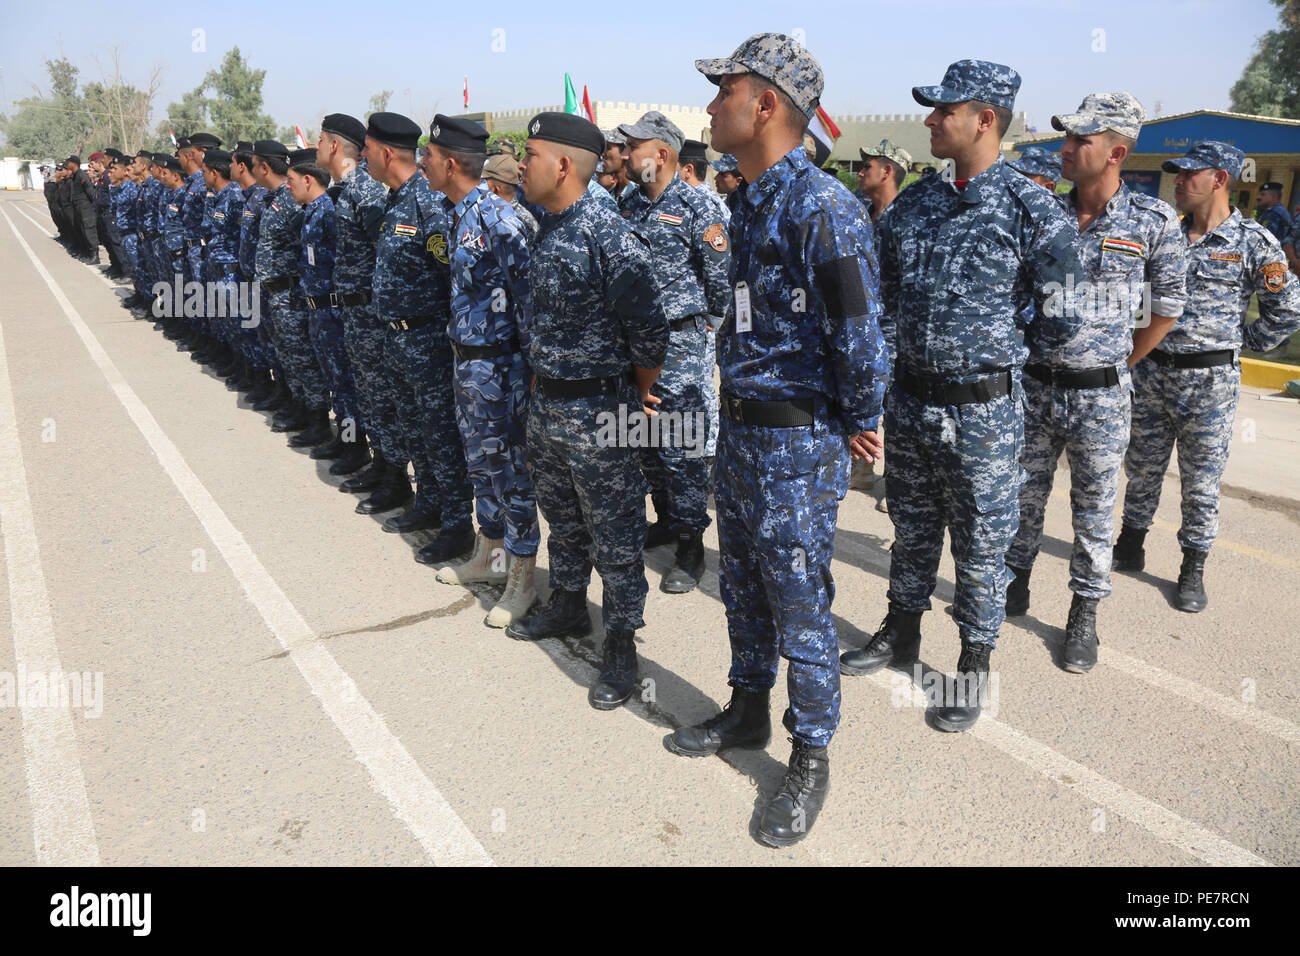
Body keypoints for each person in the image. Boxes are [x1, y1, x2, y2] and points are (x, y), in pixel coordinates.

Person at [669, 34, 888, 848]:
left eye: (722, 91)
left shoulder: (821, 208)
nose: (709, 106)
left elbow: (858, 331)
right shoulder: (750, 200)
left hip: (798, 441)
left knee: (800, 602)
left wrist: (861, 421)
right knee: (746, 590)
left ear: (765, 104)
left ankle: (810, 755)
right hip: (743, 432)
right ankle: (747, 708)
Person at [839, 60, 1086, 734]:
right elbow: (881, 297)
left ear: (986, 120)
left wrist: (994, 356)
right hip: (911, 402)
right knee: (911, 527)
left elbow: (1064, 315)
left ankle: (974, 663)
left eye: (944, 110)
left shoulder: (1034, 209)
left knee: (981, 544)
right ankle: (901, 632)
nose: (930, 120)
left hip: (984, 411)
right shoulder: (915, 202)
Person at [1004, 93, 1187, 673]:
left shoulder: (1152, 222)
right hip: (1035, 386)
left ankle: (1083, 614)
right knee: (1022, 497)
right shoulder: (1044, 215)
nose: (1065, 149)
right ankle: (1015, 584)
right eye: (1067, 138)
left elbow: (1169, 306)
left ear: (1116, 152)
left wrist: (1122, 362)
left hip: (1102, 394)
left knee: (1094, 509)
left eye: (1080, 141)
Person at [506, 111, 669, 713]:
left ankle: (623, 641)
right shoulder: (548, 226)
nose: (522, 165)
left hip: (601, 411)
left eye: (530, 154)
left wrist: (631, 389)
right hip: (548, 404)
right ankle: (570, 604)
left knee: (617, 533)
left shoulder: (608, 231)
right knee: (564, 518)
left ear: (563, 165)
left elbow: (649, 333)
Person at [1114, 141, 1300, 611]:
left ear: (1219, 179)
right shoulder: (1166, 236)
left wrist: (1239, 342)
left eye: (1188, 174)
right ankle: (1130, 544)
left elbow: (1288, 309)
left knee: (1200, 480)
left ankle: (1191, 568)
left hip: (1209, 382)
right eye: (1175, 174)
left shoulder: (1253, 242)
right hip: (1153, 374)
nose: (1178, 181)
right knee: (1142, 468)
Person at [422, 114, 540, 627]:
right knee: (482, 467)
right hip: (468, 364)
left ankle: (522, 576)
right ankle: (490, 557)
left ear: (450, 163)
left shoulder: (499, 219)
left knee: (512, 473)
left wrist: (530, 372)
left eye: (428, 156)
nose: (422, 163)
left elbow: (532, 300)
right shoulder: (457, 214)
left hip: (502, 368)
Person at [618, 110, 729, 593]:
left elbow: (721, 285)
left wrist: (695, 325)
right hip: (633, 346)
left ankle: (690, 544)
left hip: (679, 346)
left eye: (632, 147)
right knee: (643, 441)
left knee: (682, 447)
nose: (624, 155)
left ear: (661, 154)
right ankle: (663, 519)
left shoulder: (697, 207)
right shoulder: (628, 202)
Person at [365, 112, 474, 563]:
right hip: (398, 339)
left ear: (386, 152)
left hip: (427, 340)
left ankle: (457, 524)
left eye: (367, 149)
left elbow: (452, 278)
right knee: (416, 430)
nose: (363, 157)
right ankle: (428, 504)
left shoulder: (428, 204)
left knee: (440, 434)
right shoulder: (396, 200)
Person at [315, 114, 391, 481]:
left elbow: (386, 256)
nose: (315, 147)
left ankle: (389, 470)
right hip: (351, 312)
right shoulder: (344, 190)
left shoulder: (366, 190)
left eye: (319, 140)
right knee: (359, 390)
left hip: (369, 314)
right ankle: (368, 455)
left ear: (333, 146)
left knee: (379, 397)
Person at [289, 153, 357, 451]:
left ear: (307, 179)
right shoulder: (312, 211)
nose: (287, 186)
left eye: (290, 181)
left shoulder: (327, 211)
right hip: (318, 309)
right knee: (334, 379)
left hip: (332, 310)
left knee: (344, 382)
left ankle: (352, 443)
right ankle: (342, 438)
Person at [483, 152, 539, 242]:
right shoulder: (488, 210)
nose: (479, 187)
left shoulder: (519, 223)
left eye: (483, 182)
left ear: (495, 189)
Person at [856, 139, 912, 224]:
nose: (860, 173)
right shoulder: (863, 213)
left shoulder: (907, 220)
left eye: (867, 167)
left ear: (886, 171)